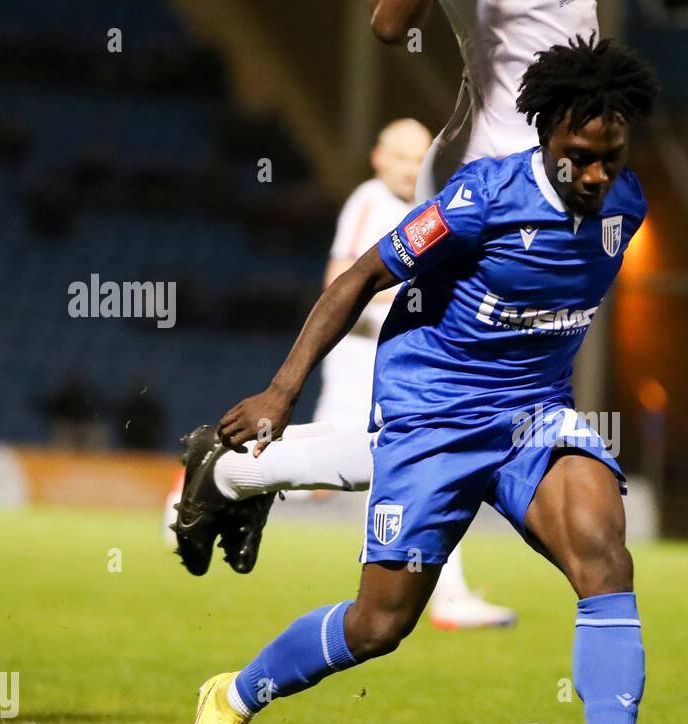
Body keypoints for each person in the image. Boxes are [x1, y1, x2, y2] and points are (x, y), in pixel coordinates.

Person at [177, 35, 679, 724]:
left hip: (532, 415)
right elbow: (359, 279)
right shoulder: (481, 200)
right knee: (379, 626)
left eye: (610, 159)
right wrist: (279, 390)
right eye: (581, 157)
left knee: (603, 549)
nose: (595, 176)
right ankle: (229, 701)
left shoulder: (627, 206)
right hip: (434, 416)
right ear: (546, 131)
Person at [171, 0, 600, 597]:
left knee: (458, 426)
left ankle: (239, 468)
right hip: (491, 179)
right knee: (435, 431)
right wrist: (281, 390)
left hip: (559, 179)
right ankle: (239, 470)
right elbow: (389, 25)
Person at [168, 119, 515, 628]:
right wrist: (419, 301)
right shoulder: (369, 202)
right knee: (379, 463)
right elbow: (340, 278)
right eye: (400, 157)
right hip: (360, 356)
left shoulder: (428, 206)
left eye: (419, 158)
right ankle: (202, 478)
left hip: (402, 359)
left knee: (408, 460)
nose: (409, 168)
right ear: (378, 157)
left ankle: (218, 469)